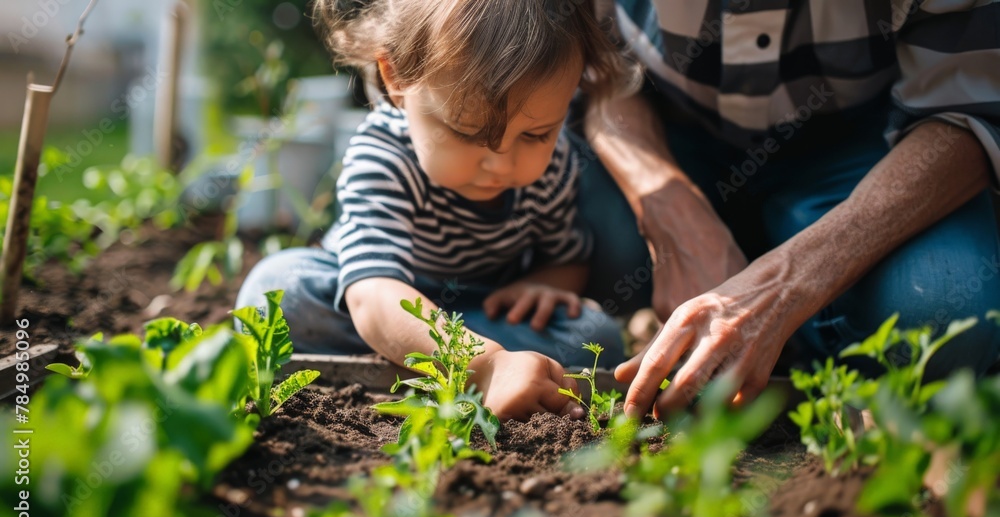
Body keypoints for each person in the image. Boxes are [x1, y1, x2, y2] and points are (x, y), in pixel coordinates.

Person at [576, 0, 1000, 420]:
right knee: (592, 243)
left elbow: (969, 106)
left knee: (940, 312)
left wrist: (786, 286)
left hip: (863, 148)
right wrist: (677, 223)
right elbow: (598, 76)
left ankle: (786, 336)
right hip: (668, 132)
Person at [235, 0, 636, 420]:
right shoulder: (384, 156)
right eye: (467, 132)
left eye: (536, 134)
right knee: (276, 292)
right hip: (378, 300)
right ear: (397, 78)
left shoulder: (554, 163)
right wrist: (485, 365)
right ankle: (471, 368)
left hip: (483, 312)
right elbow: (372, 295)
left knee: (599, 336)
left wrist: (544, 284)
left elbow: (565, 255)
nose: (501, 163)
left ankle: (417, 365)